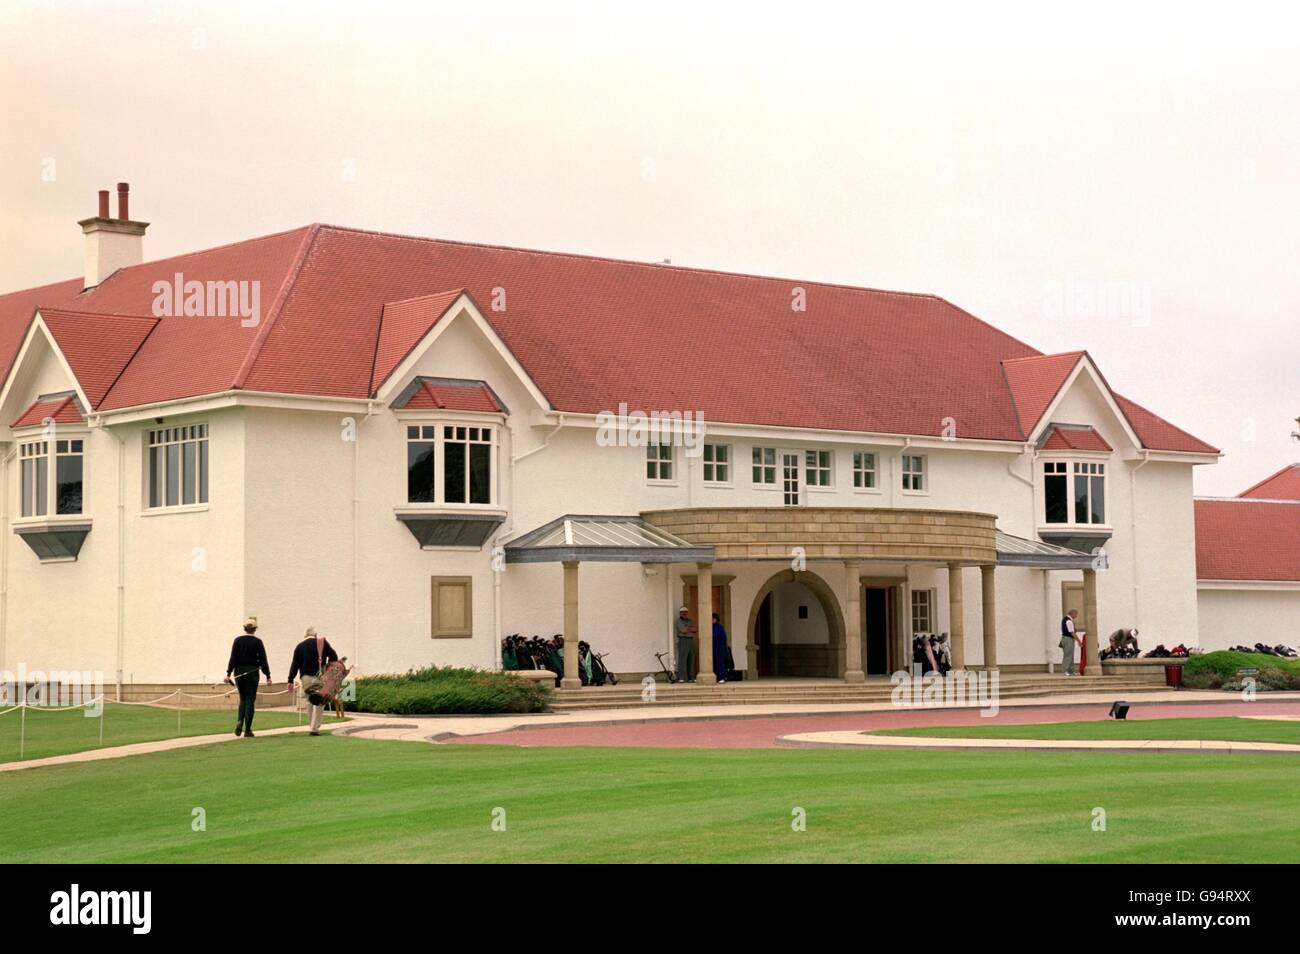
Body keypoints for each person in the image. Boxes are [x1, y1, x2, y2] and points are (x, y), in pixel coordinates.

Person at [287, 627, 339, 735]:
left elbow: (295, 664)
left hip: (305, 678)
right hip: (320, 676)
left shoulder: (299, 647)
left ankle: (311, 725)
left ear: (305, 635)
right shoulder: (322, 643)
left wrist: (290, 680)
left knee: (310, 700)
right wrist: (327, 666)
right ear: (316, 635)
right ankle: (314, 728)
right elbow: (334, 656)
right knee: (320, 701)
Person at [225, 617, 271, 737]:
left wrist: (228, 673)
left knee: (243, 698)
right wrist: (268, 675)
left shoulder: (237, 640)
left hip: (239, 672)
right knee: (250, 699)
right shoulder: (257, 642)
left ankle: (240, 721)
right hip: (252, 672)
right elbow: (263, 659)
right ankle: (248, 729)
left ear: (244, 628)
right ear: (255, 629)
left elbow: (233, 658)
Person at [674, 606, 696, 683]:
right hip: (683, 640)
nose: (685, 614)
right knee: (682, 659)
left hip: (690, 640)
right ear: (680, 613)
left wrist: (689, 628)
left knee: (691, 659)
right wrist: (690, 629)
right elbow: (683, 630)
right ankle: (681, 677)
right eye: (683, 612)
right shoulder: (678, 621)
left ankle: (691, 677)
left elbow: (695, 629)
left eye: (686, 612)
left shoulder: (690, 620)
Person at [1060, 609, 1082, 675]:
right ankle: (1065, 670)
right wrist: (1079, 641)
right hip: (1068, 639)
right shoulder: (1068, 621)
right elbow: (1072, 632)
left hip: (1067, 639)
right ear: (1072, 613)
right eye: (1076, 614)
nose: (1076, 616)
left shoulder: (1066, 619)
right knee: (1068, 655)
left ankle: (1071, 671)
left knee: (1071, 655)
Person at [711, 612, 729, 684]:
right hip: (712, 647)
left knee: (720, 662)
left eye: (712, 618)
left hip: (719, 647)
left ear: (715, 619)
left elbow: (724, 637)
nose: (712, 620)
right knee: (714, 662)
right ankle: (716, 677)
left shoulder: (720, 627)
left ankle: (721, 677)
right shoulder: (710, 626)